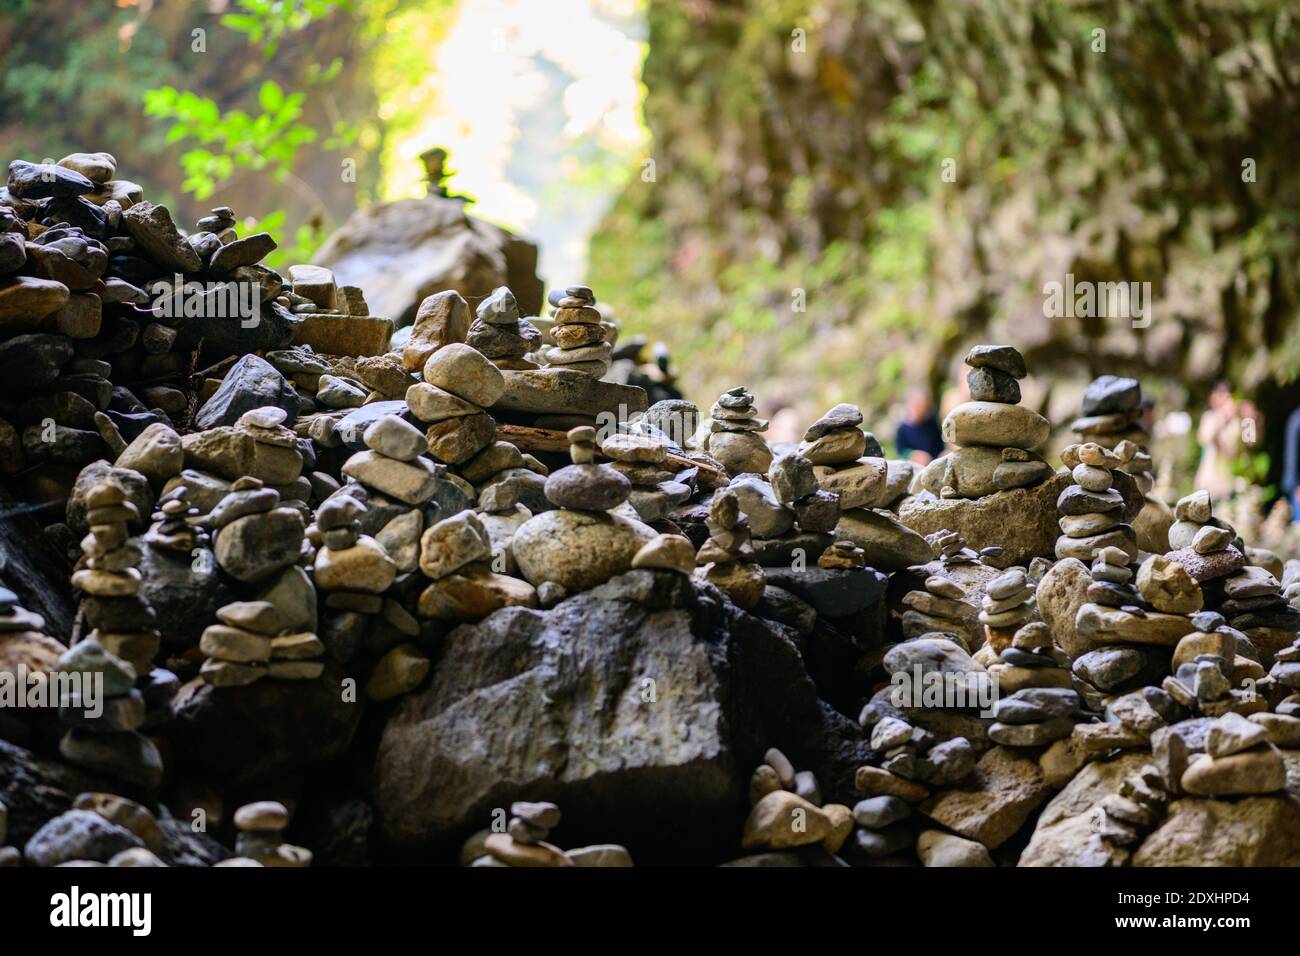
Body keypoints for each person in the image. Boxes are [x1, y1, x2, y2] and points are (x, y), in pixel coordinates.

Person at [1194, 381, 1239, 500]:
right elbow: (1204, 439)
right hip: (1207, 478)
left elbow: (1238, 449)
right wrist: (1222, 417)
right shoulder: (1209, 417)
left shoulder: (1235, 422)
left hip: (1227, 479)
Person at [896, 388, 944, 465]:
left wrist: (938, 456)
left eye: (921, 405)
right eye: (916, 405)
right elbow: (901, 450)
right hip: (912, 466)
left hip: (932, 464)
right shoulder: (903, 428)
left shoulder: (932, 424)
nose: (919, 409)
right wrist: (912, 454)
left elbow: (940, 446)